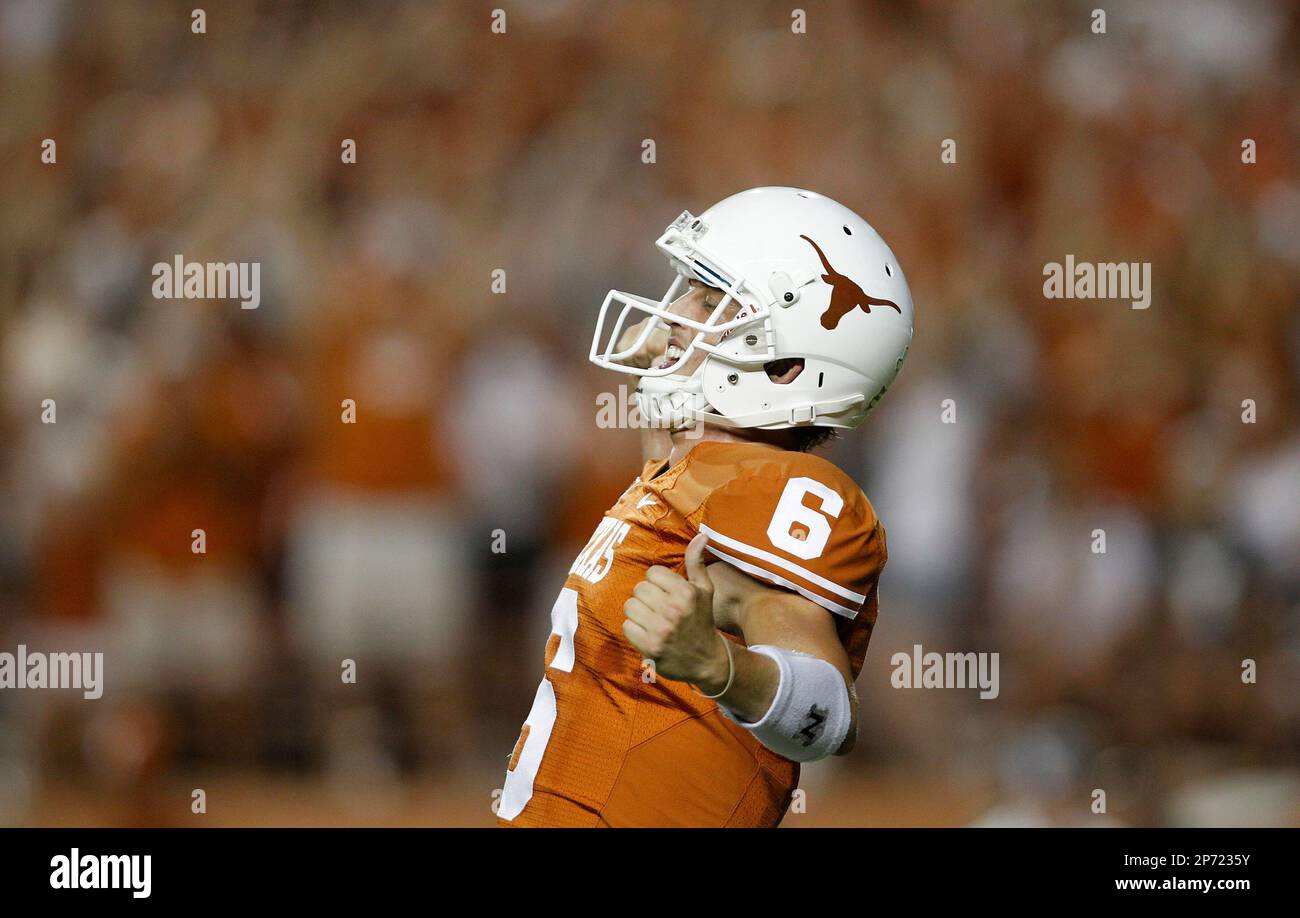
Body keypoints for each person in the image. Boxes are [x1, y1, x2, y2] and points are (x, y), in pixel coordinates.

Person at [498, 187, 914, 827]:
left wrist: (717, 665)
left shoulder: (775, 487)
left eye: (710, 297)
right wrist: (661, 390)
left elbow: (828, 714)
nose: (677, 312)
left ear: (783, 363)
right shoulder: (701, 473)